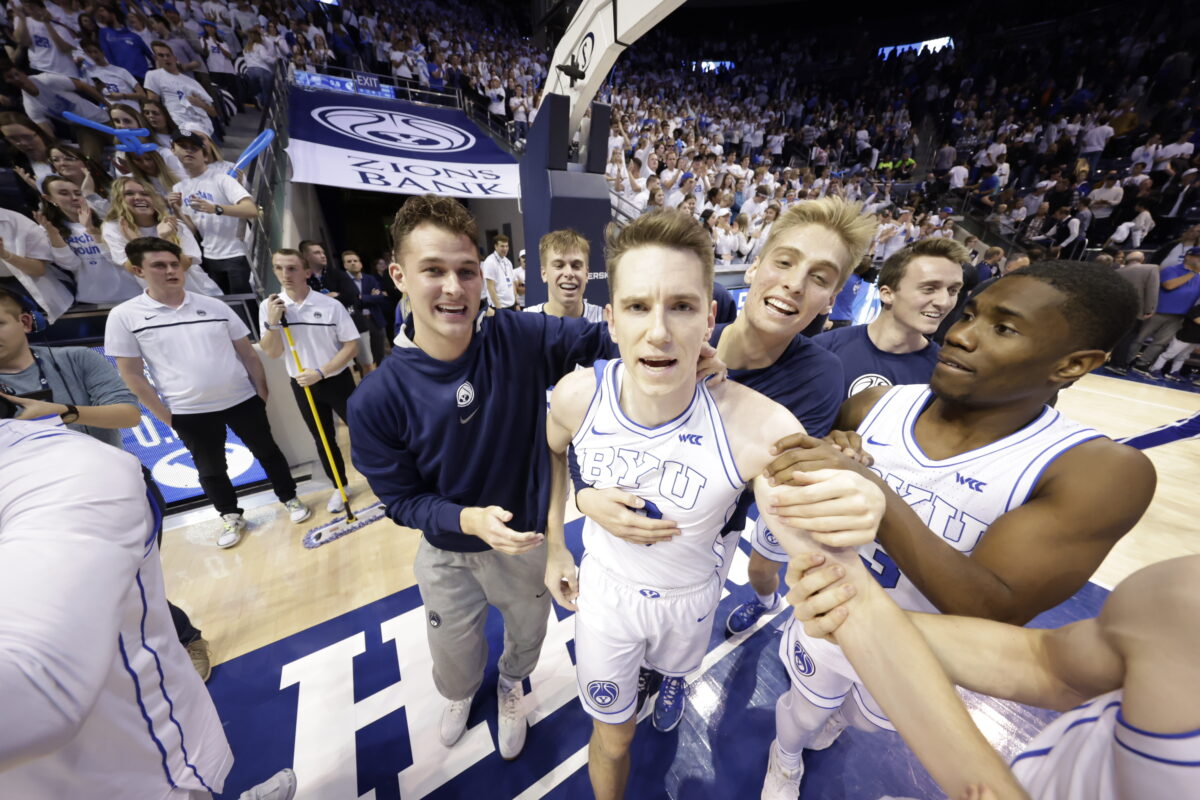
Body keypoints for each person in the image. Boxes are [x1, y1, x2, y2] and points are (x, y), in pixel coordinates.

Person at [543, 209, 1019, 800]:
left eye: (682, 307)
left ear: (708, 317)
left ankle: (673, 676)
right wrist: (564, 531)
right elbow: (556, 449)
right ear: (612, 318)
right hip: (606, 592)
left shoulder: (772, 416)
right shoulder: (580, 392)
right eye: (639, 306)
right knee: (612, 739)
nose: (659, 331)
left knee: (698, 638)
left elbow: (831, 568)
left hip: (696, 573)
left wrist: (848, 486)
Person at [757, 261, 1156, 798]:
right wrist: (829, 455)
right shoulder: (875, 404)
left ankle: (830, 726)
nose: (960, 334)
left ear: (1073, 364)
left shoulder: (1097, 471)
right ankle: (784, 759)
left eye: (1003, 327)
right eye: (969, 315)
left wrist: (879, 495)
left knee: (866, 719)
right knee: (803, 712)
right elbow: (810, 477)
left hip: (932, 650)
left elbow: (994, 610)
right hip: (831, 617)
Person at [348, 195, 679, 763]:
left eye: (466, 271)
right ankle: (460, 693)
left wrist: (681, 352)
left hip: (527, 541)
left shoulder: (518, 336)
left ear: (482, 275)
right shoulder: (375, 399)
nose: (453, 287)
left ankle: (510, 684)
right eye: (433, 270)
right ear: (399, 276)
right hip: (447, 552)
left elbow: (603, 342)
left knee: (528, 637)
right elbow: (401, 500)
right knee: (453, 655)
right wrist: (465, 519)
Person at [578, 198, 875, 731]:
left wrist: (842, 484)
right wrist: (583, 491)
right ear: (755, 266)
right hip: (631, 511)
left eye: (818, 277)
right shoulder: (677, 314)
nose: (793, 284)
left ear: (832, 298)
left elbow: (777, 482)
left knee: (686, 628)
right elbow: (578, 419)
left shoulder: (818, 376)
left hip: (709, 531)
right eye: (784, 262)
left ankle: (674, 674)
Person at [0, 412, 297, 800]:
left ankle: (190, 639)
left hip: (124, 747)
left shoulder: (62, 468)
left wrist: (70, 411)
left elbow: (34, 692)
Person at [787, 553, 1200, 800]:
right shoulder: (1184, 607)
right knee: (814, 709)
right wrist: (854, 611)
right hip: (1015, 781)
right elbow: (1049, 665)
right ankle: (787, 757)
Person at [105, 237, 311, 548]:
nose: (171, 271)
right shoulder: (124, 316)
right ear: (138, 270)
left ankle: (290, 497)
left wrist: (260, 391)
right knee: (211, 469)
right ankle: (230, 515)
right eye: (159, 265)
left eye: (175, 264)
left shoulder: (214, 305)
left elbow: (247, 353)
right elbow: (131, 374)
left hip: (242, 400)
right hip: (188, 411)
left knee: (268, 452)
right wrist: (165, 416)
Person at [259, 249, 360, 514]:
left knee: (363, 431)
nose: (285, 274)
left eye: (292, 268)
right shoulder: (270, 307)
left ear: (307, 272)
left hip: (337, 380)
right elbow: (272, 352)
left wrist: (322, 371)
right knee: (323, 439)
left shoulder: (330, 305)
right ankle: (340, 487)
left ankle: (384, 478)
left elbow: (351, 346)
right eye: (278, 268)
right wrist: (272, 323)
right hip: (303, 384)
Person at [815, 238, 968, 398]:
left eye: (953, 290)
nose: (944, 302)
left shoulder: (944, 374)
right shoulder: (825, 348)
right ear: (887, 294)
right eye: (929, 289)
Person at [169, 132, 259, 294]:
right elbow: (193, 229)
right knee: (224, 303)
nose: (188, 151)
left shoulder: (222, 179)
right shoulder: (179, 188)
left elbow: (251, 210)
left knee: (245, 303)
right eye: (183, 147)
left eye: (194, 148)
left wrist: (216, 209)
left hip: (238, 252)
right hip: (209, 256)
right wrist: (177, 210)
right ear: (173, 151)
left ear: (204, 154)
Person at [522, 229, 605, 321]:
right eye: (559, 265)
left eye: (576, 266)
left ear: (586, 274)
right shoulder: (526, 321)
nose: (569, 273)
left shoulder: (606, 321)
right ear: (544, 273)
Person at [144, 40, 217, 136]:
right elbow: (153, 104)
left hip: (204, 129)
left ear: (174, 58)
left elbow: (213, 112)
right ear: (155, 58)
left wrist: (201, 104)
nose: (166, 58)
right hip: (180, 128)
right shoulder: (153, 75)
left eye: (168, 55)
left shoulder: (192, 82)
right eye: (161, 55)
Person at [343, 250, 388, 370]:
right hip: (357, 322)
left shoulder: (370, 279)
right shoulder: (344, 282)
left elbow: (380, 298)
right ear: (345, 265)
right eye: (349, 261)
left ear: (361, 264)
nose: (353, 263)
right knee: (364, 360)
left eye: (355, 260)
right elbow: (349, 302)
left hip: (375, 320)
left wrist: (362, 297)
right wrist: (369, 297)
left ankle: (382, 377)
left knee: (380, 355)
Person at [482, 233, 517, 310]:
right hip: (498, 307)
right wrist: (499, 308)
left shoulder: (508, 262)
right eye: (502, 246)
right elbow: (490, 287)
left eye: (506, 246)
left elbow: (512, 283)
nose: (505, 249)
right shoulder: (490, 261)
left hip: (511, 305)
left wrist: (516, 303)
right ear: (496, 246)